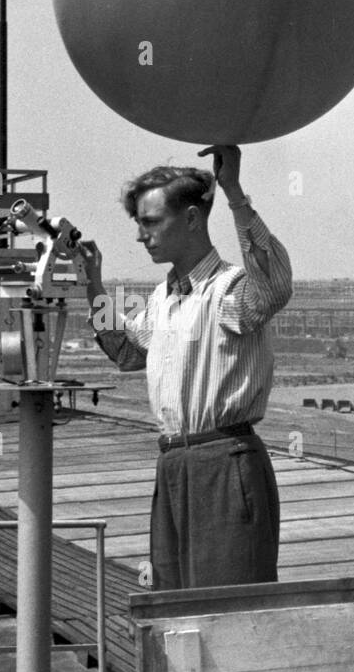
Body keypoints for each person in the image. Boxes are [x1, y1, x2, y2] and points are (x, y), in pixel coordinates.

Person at [80, 145, 293, 592]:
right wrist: (93, 284)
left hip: (225, 463)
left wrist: (234, 192)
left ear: (193, 219)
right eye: (139, 223)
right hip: (173, 465)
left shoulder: (229, 289)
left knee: (230, 604)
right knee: (173, 607)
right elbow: (125, 352)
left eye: (151, 222)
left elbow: (272, 288)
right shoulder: (163, 299)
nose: (141, 236)